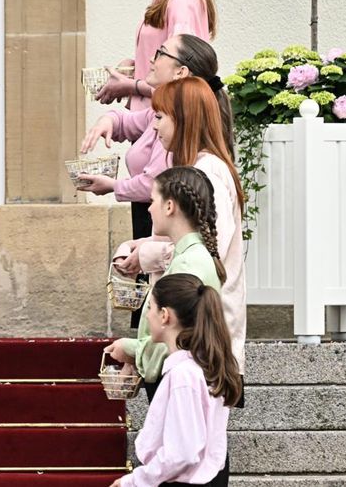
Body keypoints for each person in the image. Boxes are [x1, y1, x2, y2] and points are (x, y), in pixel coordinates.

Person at [79, 34, 224, 327]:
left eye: (160, 53)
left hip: (195, 326)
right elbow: (129, 122)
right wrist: (107, 120)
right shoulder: (168, 113)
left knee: (159, 318)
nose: (151, 58)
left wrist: (114, 188)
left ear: (181, 71)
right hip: (161, 246)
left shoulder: (204, 167)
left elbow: (200, 254)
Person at [114, 78, 247, 384]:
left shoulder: (209, 172)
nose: (154, 127)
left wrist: (147, 254)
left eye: (159, 118)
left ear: (183, 119)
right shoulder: (199, 168)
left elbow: (209, 248)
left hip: (199, 347)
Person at [111, 273, 240, 487]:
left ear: (164, 315)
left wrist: (135, 481)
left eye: (150, 308)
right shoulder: (203, 367)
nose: (147, 315)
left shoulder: (184, 375)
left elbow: (182, 452)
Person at [104, 166, 225, 390]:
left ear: (169, 206)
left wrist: (132, 350)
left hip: (176, 376)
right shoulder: (188, 257)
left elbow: (177, 334)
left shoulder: (189, 263)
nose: (149, 209)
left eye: (152, 201)